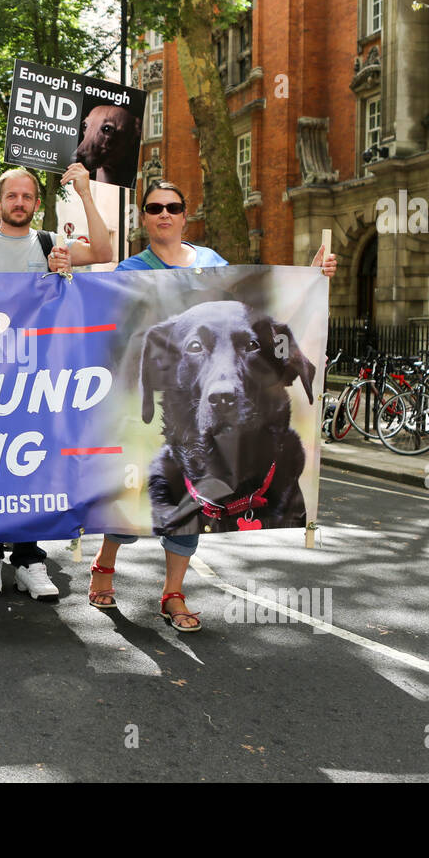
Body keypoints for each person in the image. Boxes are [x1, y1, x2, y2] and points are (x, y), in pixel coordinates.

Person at [67, 180, 337, 632]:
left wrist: (310, 277)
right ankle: (105, 560)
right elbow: (99, 309)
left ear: (185, 215)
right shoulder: (133, 268)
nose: (164, 214)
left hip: (227, 412)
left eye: (173, 207)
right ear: (143, 218)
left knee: (193, 507)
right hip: (184, 402)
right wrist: (63, 272)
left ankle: (173, 593)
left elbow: (256, 316)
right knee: (129, 503)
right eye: (154, 208)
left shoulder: (212, 264)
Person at [0, 164, 114, 602]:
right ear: (0, 201)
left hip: (38, 379)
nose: (19, 203)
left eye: (27, 196)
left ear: (37, 204)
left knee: (31, 465)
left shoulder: (51, 245)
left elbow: (102, 248)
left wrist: (83, 192)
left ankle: (27, 557)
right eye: (12, 196)